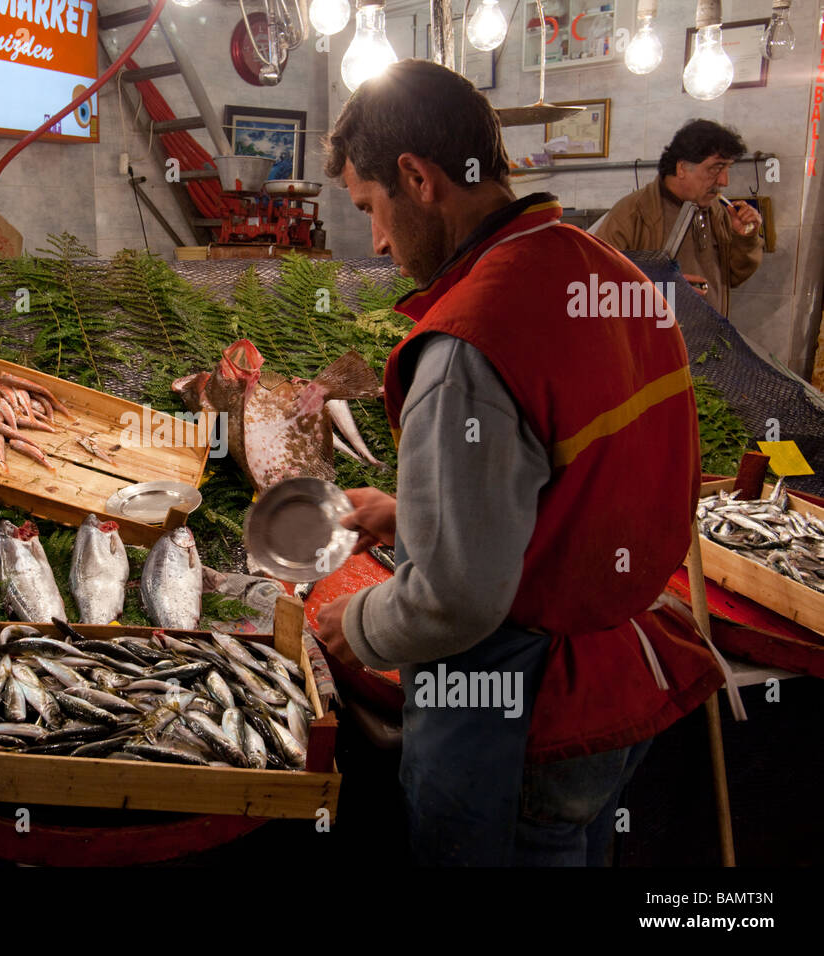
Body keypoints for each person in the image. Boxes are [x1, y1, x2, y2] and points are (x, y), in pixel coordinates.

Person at [317, 60, 729, 866]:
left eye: (372, 209)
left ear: (417, 178)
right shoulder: (615, 279)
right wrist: (417, 517)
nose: (377, 241)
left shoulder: (470, 343)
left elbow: (455, 603)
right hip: (618, 685)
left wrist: (355, 624)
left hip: (517, 712)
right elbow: (587, 486)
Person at [595, 119, 763, 317]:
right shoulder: (634, 213)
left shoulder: (716, 211)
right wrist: (660, 292)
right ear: (682, 168)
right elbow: (596, 285)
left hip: (708, 341)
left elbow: (733, 277)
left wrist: (745, 238)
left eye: (727, 169)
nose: (724, 181)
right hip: (657, 342)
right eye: (715, 168)